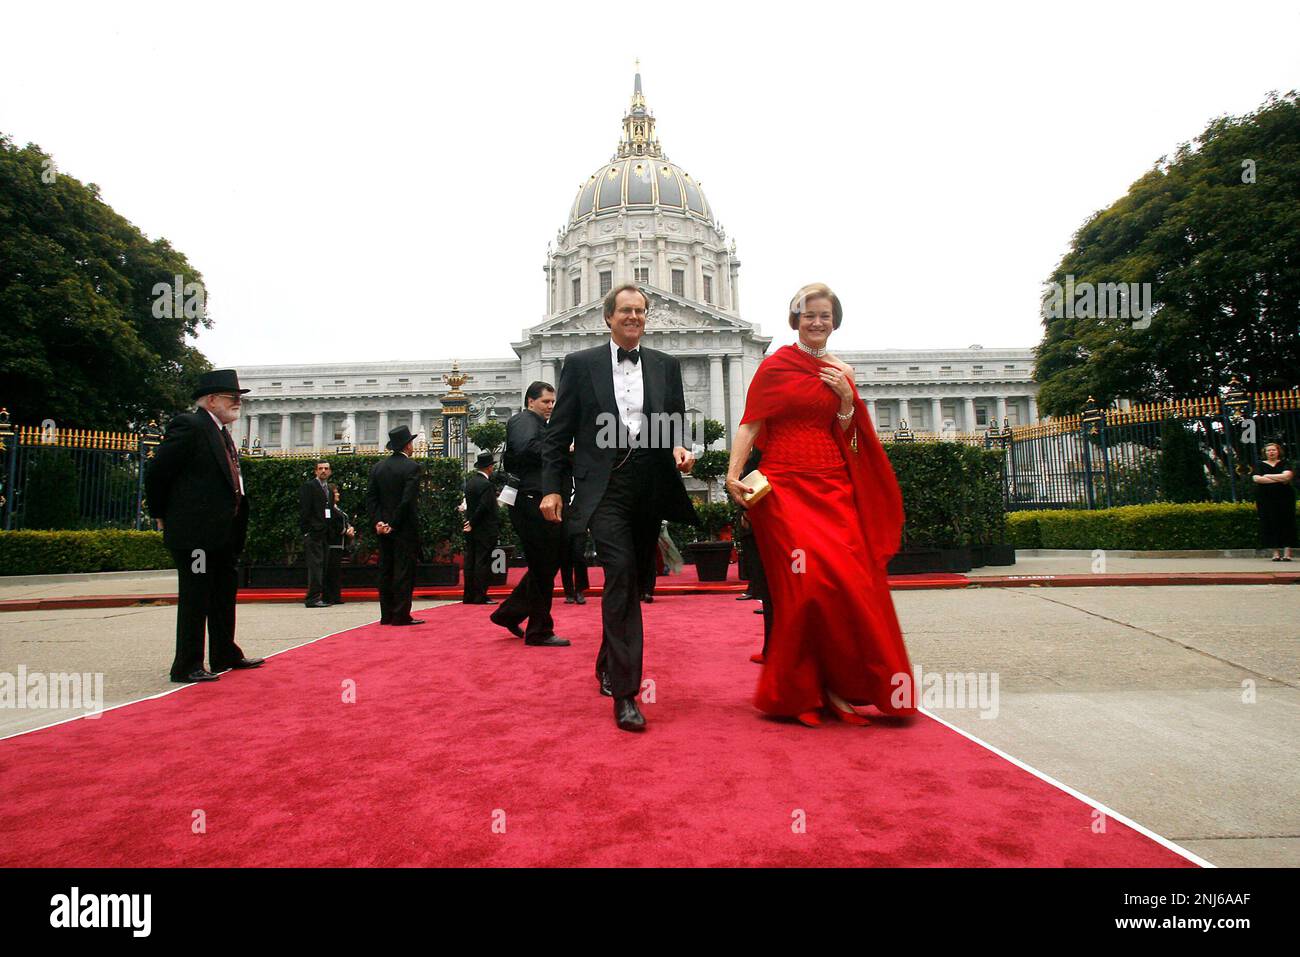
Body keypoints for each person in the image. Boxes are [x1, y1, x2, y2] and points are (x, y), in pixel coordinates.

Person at [725, 283, 917, 727]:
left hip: (832, 483)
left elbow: (852, 440)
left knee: (851, 583)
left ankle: (838, 686)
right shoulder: (775, 367)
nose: (816, 322)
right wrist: (733, 474)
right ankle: (801, 691)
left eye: (825, 316)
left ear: (835, 321)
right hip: (785, 485)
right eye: (809, 314)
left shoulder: (842, 372)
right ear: (795, 319)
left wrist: (848, 403)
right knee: (807, 585)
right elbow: (751, 426)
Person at [541, 282, 698, 732]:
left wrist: (680, 448)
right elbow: (558, 433)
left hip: (647, 485)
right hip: (603, 487)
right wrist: (553, 488)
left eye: (641, 311)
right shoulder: (579, 364)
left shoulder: (666, 366)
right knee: (622, 573)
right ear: (607, 316)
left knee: (634, 579)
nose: (634, 317)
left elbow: (674, 420)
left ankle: (610, 660)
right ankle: (627, 695)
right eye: (626, 310)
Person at [145, 369, 264, 682]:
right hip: (195, 533)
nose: (238, 403)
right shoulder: (190, 425)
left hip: (223, 531)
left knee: (223, 593)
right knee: (196, 596)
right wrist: (159, 511)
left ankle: (225, 652)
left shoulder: (221, 431)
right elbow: (158, 471)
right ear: (211, 400)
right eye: (232, 398)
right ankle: (187, 663)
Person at [489, 382, 570, 646]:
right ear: (530, 401)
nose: (550, 406)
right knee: (543, 565)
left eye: (552, 402)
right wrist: (563, 450)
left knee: (545, 564)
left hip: (536, 499)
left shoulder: (538, 424)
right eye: (546, 401)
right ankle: (539, 630)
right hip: (531, 501)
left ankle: (509, 613)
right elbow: (527, 448)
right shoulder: (524, 420)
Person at [365, 425, 424, 626]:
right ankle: (401, 614)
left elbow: (372, 499)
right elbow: (407, 501)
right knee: (403, 571)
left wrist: (379, 522)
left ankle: (386, 614)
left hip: (382, 529)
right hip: (403, 529)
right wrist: (393, 524)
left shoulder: (378, 468)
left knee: (386, 570)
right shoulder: (412, 468)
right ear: (408, 445)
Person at [734, 447, 773, 663]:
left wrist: (747, 511)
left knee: (770, 587)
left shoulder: (761, 448)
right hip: (761, 520)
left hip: (761, 520)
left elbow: (750, 481)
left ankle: (772, 649)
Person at [463, 451, 500, 605]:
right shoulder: (486, 485)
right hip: (484, 528)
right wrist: (472, 522)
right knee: (482, 562)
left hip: (472, 529)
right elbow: (484, 507)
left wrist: (469, 522)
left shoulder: (470, 482)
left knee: (470, 561)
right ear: (489, 467)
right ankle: (480, 595)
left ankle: (469, 595)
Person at [1253, 441, 1295, 561]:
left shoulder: (1285, 463)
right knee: (1270, 522)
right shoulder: (1259, 464)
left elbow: (1287, 476)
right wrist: (1278, 478)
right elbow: (1257, 479)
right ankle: (1275, 553)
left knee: (1287, 521)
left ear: (1278, 451)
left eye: (1273, 450)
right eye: (1268, 450)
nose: (1271, 452)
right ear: (1265, 453)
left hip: (1285, 497)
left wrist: (1267, 476)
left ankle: (1287, 553)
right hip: (1265, 498)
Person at [300, 461, 333, 608]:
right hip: (314, 533)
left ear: (330, 471)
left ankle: (321, 595)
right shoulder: (309, 487)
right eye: (320, 469)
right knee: (315, 566)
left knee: (323, 565)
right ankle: (312, 598)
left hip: (325, 533)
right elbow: (305, 510)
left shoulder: (329, 490)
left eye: (326, 469)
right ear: (315, 471)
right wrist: (308, 530)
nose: (323, 471)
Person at [324, 485, 355, 604]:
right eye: (336, 492)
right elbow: (331, 525)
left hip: (340, 544)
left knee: (336, 571)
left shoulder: (337, 509)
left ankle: (335, 596)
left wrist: (350, 528)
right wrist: (345, 531)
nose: (338, 494)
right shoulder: (329, 509)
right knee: (331, 570)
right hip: (333, 544)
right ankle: (329, 596)